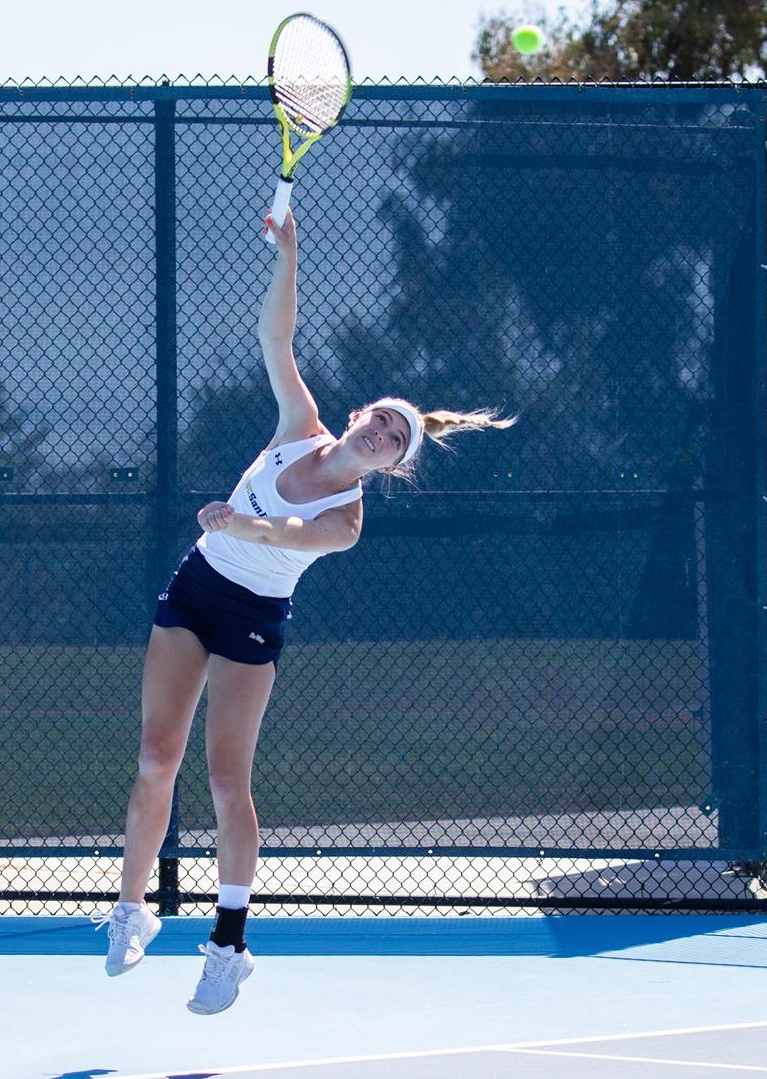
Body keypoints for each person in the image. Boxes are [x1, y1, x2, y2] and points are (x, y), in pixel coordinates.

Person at [96, 209, 513, 1015]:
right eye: (381, 420)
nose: (384, 434)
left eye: (395, 439)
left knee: (224, 779)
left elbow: (285, 532)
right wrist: (287, 255)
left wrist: (237, 520)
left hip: (253, 617)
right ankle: (128, 907)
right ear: (356, 414)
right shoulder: (298, 426)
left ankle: (229, 943)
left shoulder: (348, 521)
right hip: (194, 590)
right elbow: (275, 340)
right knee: (155, 755)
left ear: (391, 465)